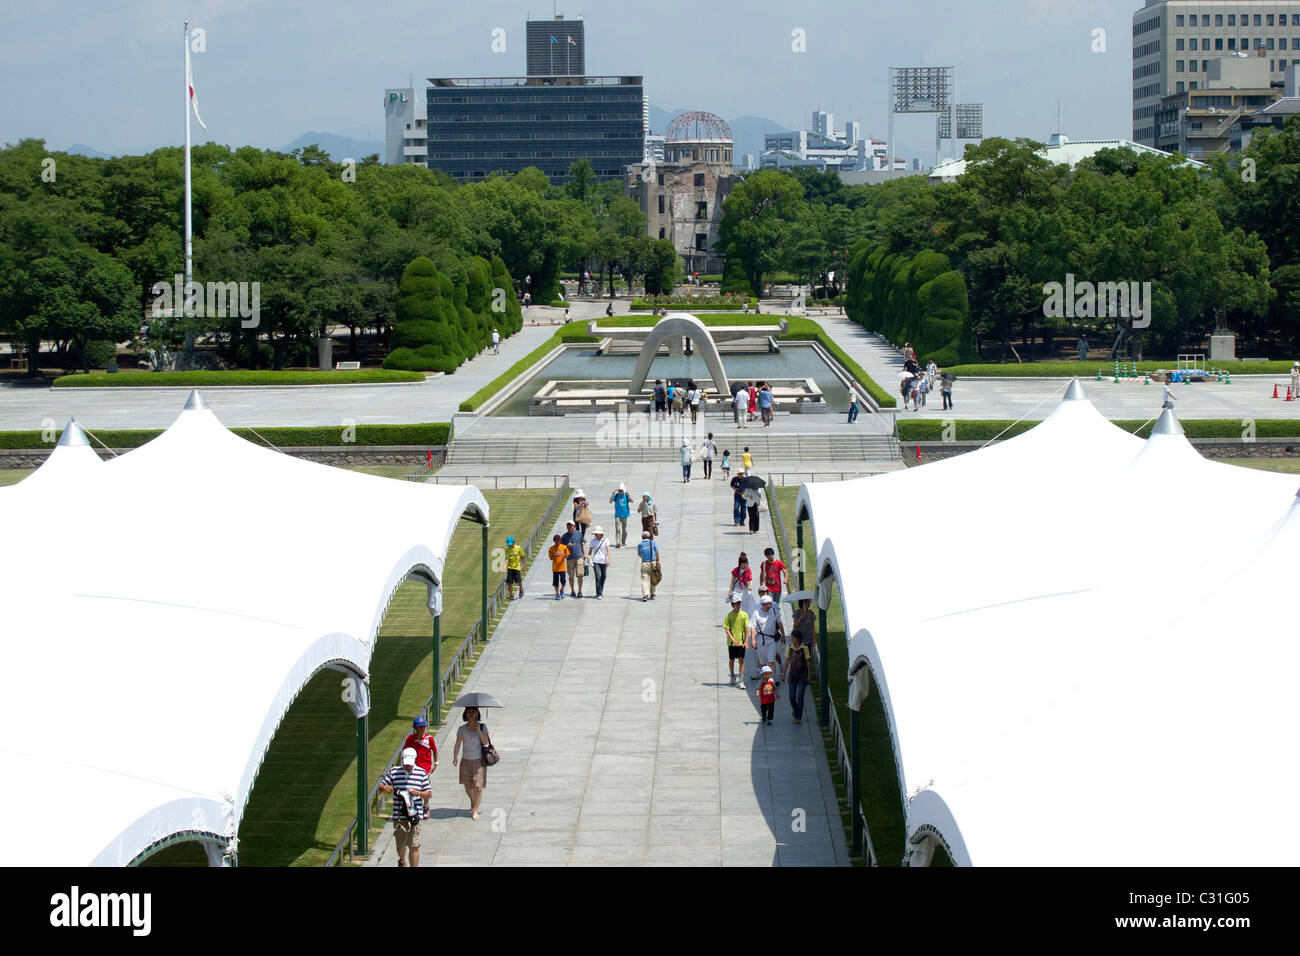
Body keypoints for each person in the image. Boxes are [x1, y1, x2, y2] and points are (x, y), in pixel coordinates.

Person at [379, 747, 432, 866]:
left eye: (410, 764)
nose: (408, 766)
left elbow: (429, 793)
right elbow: (382, 785)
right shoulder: (394, 772)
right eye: (406, 763)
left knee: (414, 845)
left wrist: (418, 793)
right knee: (400, 844)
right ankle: (402, 860)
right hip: (399, 815)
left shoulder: (421, 773)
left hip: (414, 815)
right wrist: (385, 788)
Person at [451, 707, 491, 821]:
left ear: (477, 713)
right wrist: (455, 757)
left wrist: (478, 730)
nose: (471, 714)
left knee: (478, 787)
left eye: (473, 712)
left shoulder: (483, 727)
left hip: (478, 760)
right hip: (466, 759)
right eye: (469, 712)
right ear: (465, 714)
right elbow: (458, 744)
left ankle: (475, 810)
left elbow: (485, 742)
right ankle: (474, 801)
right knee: (468, 785)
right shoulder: (462, 729)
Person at [752, 593, 784, 681]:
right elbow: (753, 627)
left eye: (770, 603)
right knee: (762, 662)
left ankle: (772, 680)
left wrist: (783, 635)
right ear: (763, 604)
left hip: (771, 640)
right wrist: (753, 639)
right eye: (768, 604)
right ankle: (764, 679)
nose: (770, 605)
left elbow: (779, 623)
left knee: (771, 661)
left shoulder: (774, 610)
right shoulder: (756, 613)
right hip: (761, 640)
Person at [722, 594, 752, 687]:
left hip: (741, 642)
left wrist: (746, 641)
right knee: (731, 660)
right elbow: (727, 629)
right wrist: (733, 640)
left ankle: (741, 681)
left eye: (739, 604)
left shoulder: (744, 615)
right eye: (736, 604)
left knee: (741, 660)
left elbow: (747, 628)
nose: (738, 606)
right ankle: (732, 676)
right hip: (731, 643)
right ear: (732, 605)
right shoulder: (728, 616)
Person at [402, 715, 438, 790]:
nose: (422, 729)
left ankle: (425, 799)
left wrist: (435, 763)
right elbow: (404, 751)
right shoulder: (410, 739)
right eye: (419, 727)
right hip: (413, 767)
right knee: (414, 787)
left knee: (425, 787)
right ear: (415, 727)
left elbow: (434, 750)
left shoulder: (429, 739)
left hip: (426, 768)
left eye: (423, 726)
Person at [783, 629, 811, 723]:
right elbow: (786, 661)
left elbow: (807, 662)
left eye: (793, 637)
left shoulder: (805, 648)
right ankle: (796, 710)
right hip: (792, 675)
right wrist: (783, 673)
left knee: (800, 696)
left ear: (798, 639)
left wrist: (809, 674)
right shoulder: (789, 647)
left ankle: (798, 717)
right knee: (791, 697)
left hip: (802, 675)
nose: (792, 639)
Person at [561, 520, 585, 597]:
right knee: (571, 576)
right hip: (570, 558)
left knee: (580, 574)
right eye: (568, 525)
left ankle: (580, 591)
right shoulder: (564, 536)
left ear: (574, 526)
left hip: (579, 556)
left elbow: (581, 544)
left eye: (570, 525)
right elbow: (562, 548)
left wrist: (583, 553)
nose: (569, 527)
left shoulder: (578, 533)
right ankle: (572, 590)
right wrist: (567, 546)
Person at [637, 530, 660, 601]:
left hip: (644, 564)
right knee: (653, 578)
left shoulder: (640, 545)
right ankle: (652, 593)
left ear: (642, 537)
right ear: (649, 537)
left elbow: (640, 554)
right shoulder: (652, 542)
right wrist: (657, 560)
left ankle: (645, 595)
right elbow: (657, 552)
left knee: (644, 580)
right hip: (652, 563)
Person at [587, 526, 610, 599]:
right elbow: (590, 551)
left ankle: (600, 590)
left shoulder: (606, 540)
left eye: (597, 533)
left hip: (603, 560)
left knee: (604, 576)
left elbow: (608, 550)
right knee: (598, 577)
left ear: (600, 534)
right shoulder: (593, 541)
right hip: (596, 561)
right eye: (595, 533)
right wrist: (588, 557)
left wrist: (608, 559)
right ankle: (599, 593)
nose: (595, 535)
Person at [609, 483, 631, 547]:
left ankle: (623, 542)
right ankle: (618, 543)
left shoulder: (626, 496)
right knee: (617, 529)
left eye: (621, 490)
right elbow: (610, 501)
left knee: (624, 529)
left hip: (625, 515)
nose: (620, 492)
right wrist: (612, 494)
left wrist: (629, 495)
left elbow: (632, 501)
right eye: (619, 490)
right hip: (617, 515)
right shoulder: (616, 496)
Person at [548, 534, 569, 600]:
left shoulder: (564, 547)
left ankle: (562, 590)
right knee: (556, 582)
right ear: (554, 541)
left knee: (563, 581)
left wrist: (563, 554)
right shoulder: (551, 548)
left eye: (558, 540)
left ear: (560, 540)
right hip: (555, 568)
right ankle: (557, 594)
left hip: (562, 567)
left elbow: (567, 556)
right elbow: (551, 558)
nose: (557, 542)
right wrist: (555, 555)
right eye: (556, 541)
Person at [504, 535, 526, 599]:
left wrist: (523, 566)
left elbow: (522, 557)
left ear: (514, 542)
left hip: (517, 567)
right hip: (510, 568)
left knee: (519, 581)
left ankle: (521, 589)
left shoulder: (518, 548)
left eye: (511, 544)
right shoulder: (507, 550)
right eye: (508, 544)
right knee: (510, 582)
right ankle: (511, 594)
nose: (510, 545)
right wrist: (505, 568)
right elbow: (507, 559)